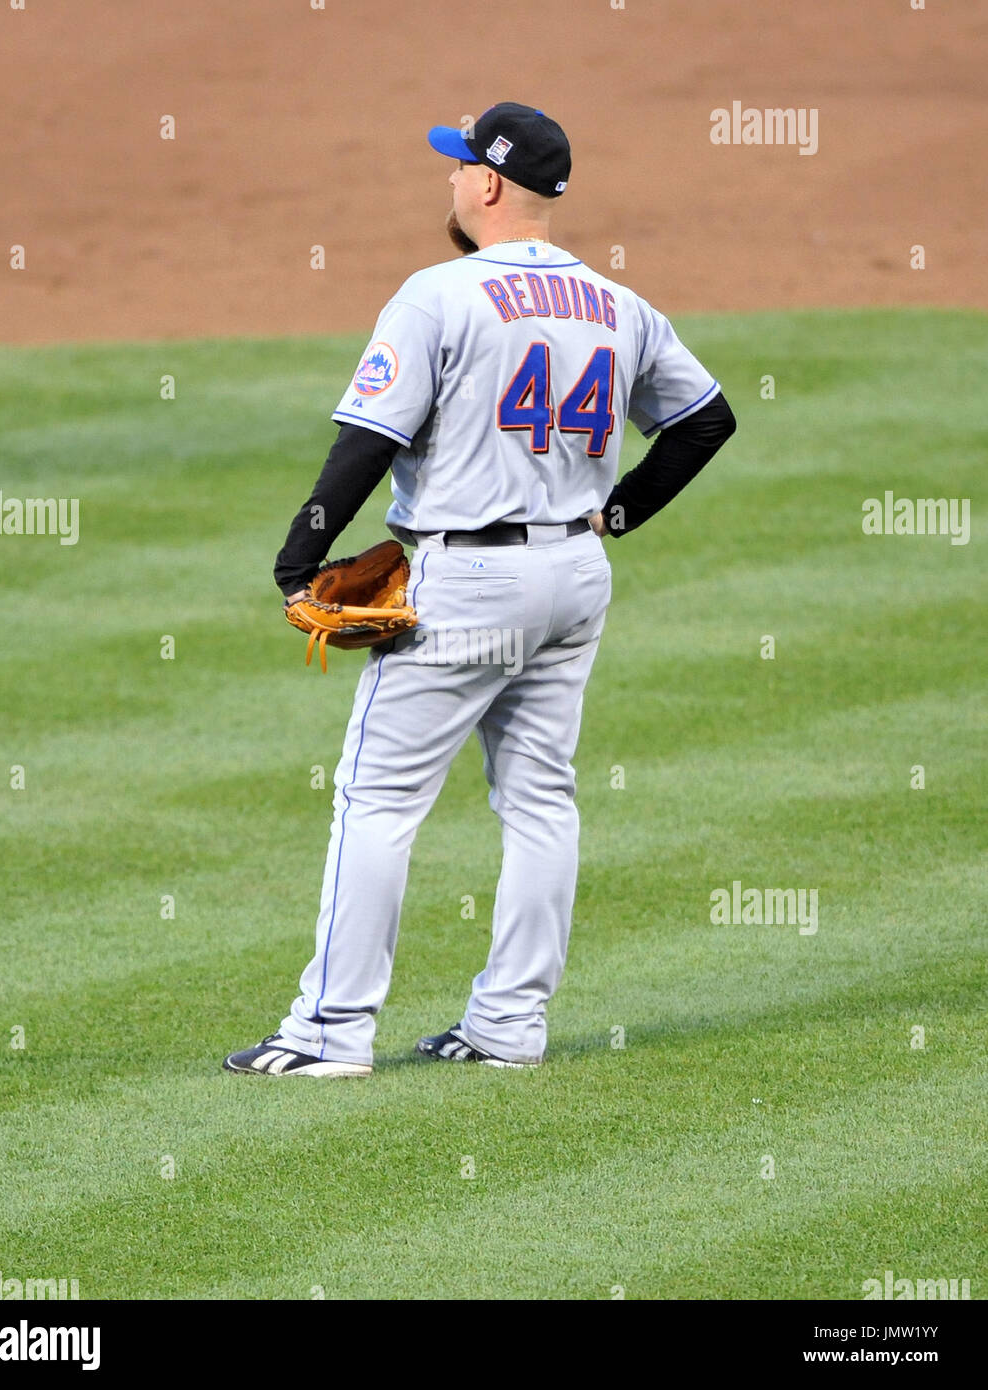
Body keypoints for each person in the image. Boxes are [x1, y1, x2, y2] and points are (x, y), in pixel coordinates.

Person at [223, 102, 736, 1077]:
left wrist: (301, 554)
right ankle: (509, 1025)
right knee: (541, 797)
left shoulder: (438, 296)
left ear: (491, 184)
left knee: (375, 798)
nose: (452, 179)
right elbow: (707, 421)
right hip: (573, 576)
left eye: (460, 166)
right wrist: (616, 514)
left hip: (466, 578)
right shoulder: (620, 305)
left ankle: (329, 1032)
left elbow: (366, 443)